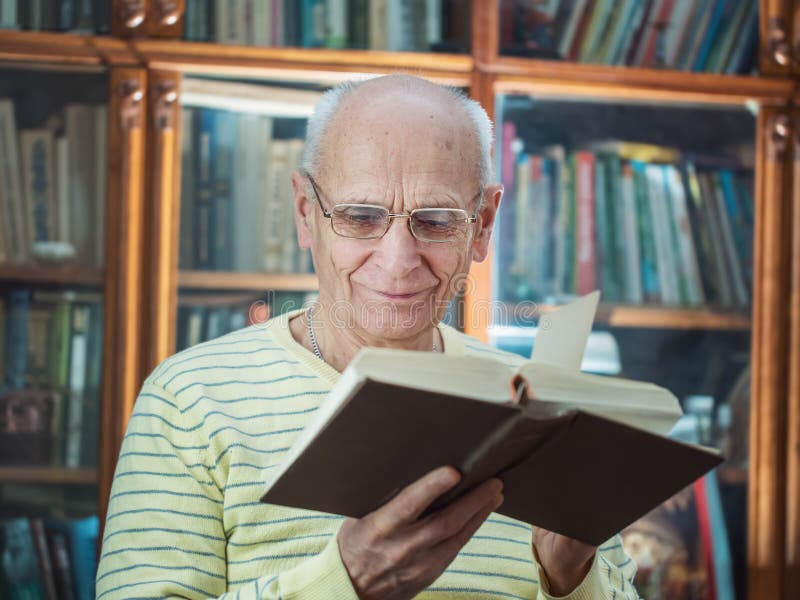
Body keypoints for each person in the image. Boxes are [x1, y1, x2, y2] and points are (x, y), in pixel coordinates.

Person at [96, 74, 639, 599]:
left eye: (436, 220)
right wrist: (346, 584)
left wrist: (571, 581)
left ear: (484, 225)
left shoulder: (536, 409)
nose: (398, 262)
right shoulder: (190, 398)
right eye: (360, 216)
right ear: (306, 215)